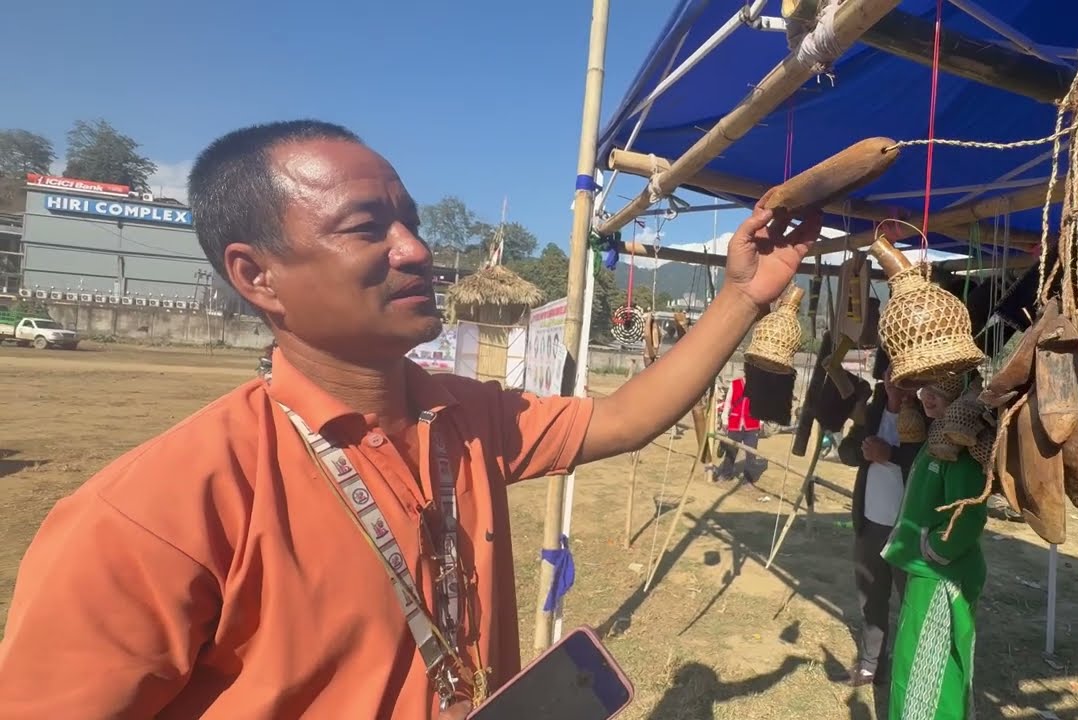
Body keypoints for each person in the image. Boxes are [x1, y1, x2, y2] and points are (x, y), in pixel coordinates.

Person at [0, 120, 822, 719]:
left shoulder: (466, 416)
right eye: (367, 228)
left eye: (412, 223)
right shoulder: (154, 514)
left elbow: (621, 419)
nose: (416, 249)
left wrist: (741, 297)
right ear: (258, 277)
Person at [881, 372, 988, 720]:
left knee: (928, 668)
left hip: (941, 575)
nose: (928, 397)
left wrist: (935, 550)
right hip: (928, 572)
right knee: (915, 662)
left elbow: (968, 515)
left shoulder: (959, 448)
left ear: (958, 397)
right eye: (928, 389)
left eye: (940, 392)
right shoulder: (938, 437)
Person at [834, 362, 923, 687]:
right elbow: (845, 452)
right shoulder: (872, 412)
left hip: (908, 531)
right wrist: (865, 451)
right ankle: (871, 666)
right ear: (885, 378)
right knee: (871, 598)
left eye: (903, 379)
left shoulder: (926, 416)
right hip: (870, 525)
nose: (895, 383)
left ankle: (913, 672)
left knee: (912, 603)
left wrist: (891, 455)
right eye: (891, 376)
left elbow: (929, 462)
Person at [713, 374, 766, 485]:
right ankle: (726, 474)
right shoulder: (735, 383)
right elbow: (728, 402)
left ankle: (748, 479)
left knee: (751, 453)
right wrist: (725, 419)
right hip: (735, 422)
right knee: (731, 451)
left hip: (751, 424)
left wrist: (761, 422)